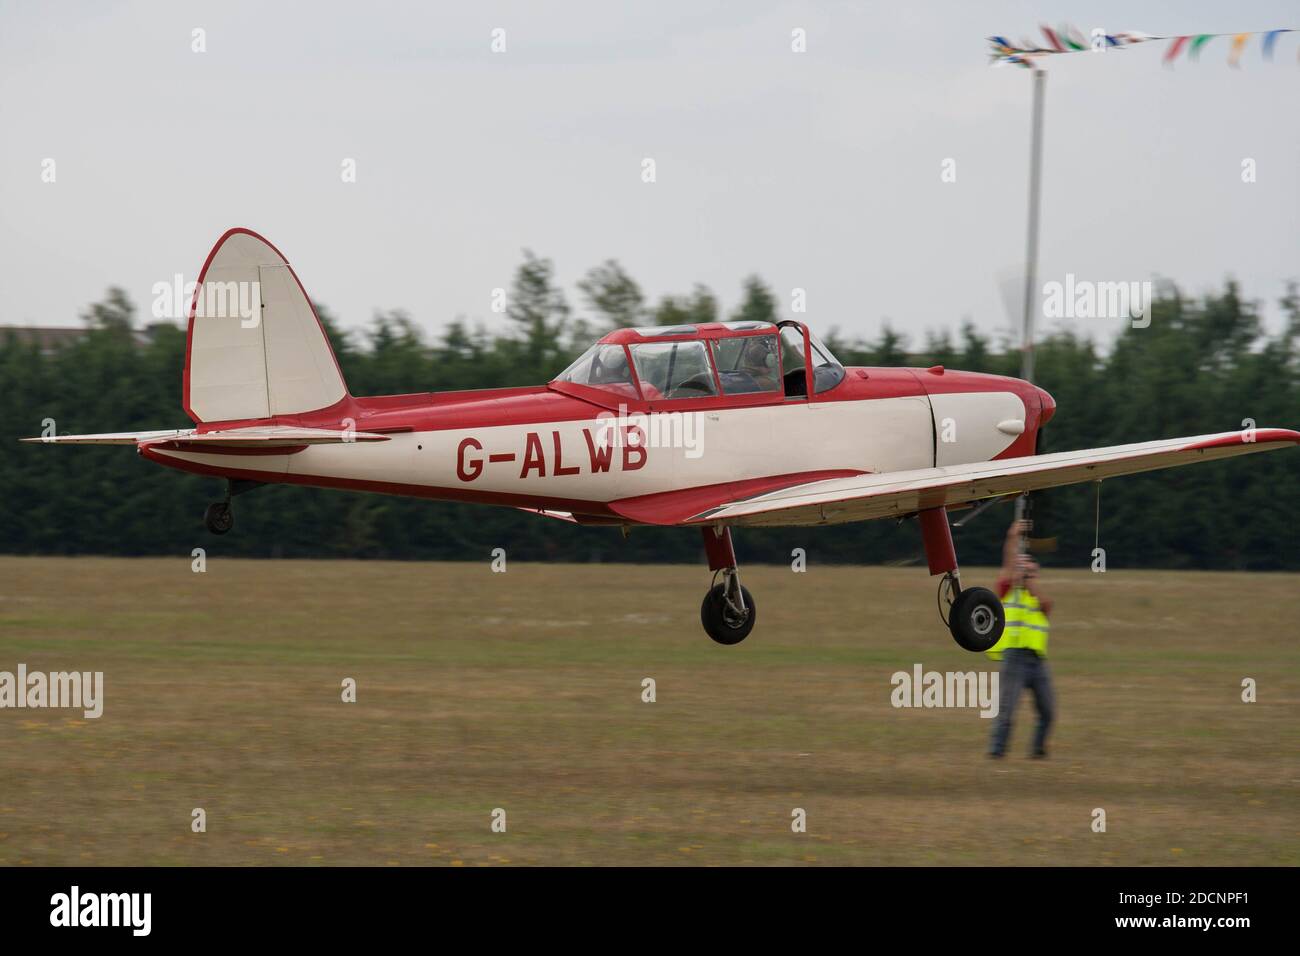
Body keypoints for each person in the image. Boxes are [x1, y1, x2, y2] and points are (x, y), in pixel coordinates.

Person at [987, 518, 1055, 759]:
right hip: (1014, 658)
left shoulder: (1039, 598)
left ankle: (1038, 750)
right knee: (1007, 711)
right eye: (1023, 569)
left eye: (1030, 570)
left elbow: (1046, 606)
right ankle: (996, 752)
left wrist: (1030, 583)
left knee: (1048, 712)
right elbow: (1008, 562)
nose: (1026, 572)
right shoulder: (1008, 589)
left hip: (1037, 660)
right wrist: (1012, 536)